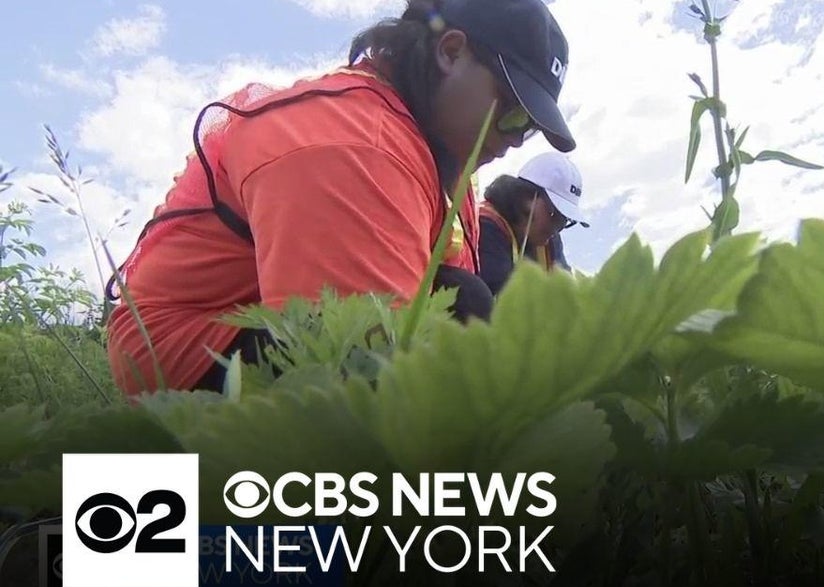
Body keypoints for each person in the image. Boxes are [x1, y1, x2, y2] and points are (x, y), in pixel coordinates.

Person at [102, 0, 577, 397]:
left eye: (531, 127)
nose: (517, 139)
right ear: (450, 53)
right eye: (514, 114)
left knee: (462, 303)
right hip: (184, 351)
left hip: (266, 324)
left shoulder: (440, 160)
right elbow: (362, 360)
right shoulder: (357, 146)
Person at [478, 152, 588, 295]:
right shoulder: (485, 226)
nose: (556, 229)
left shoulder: (550, 242)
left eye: (564, 221)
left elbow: (567, 294)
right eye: (554, 215)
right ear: (525, 196)